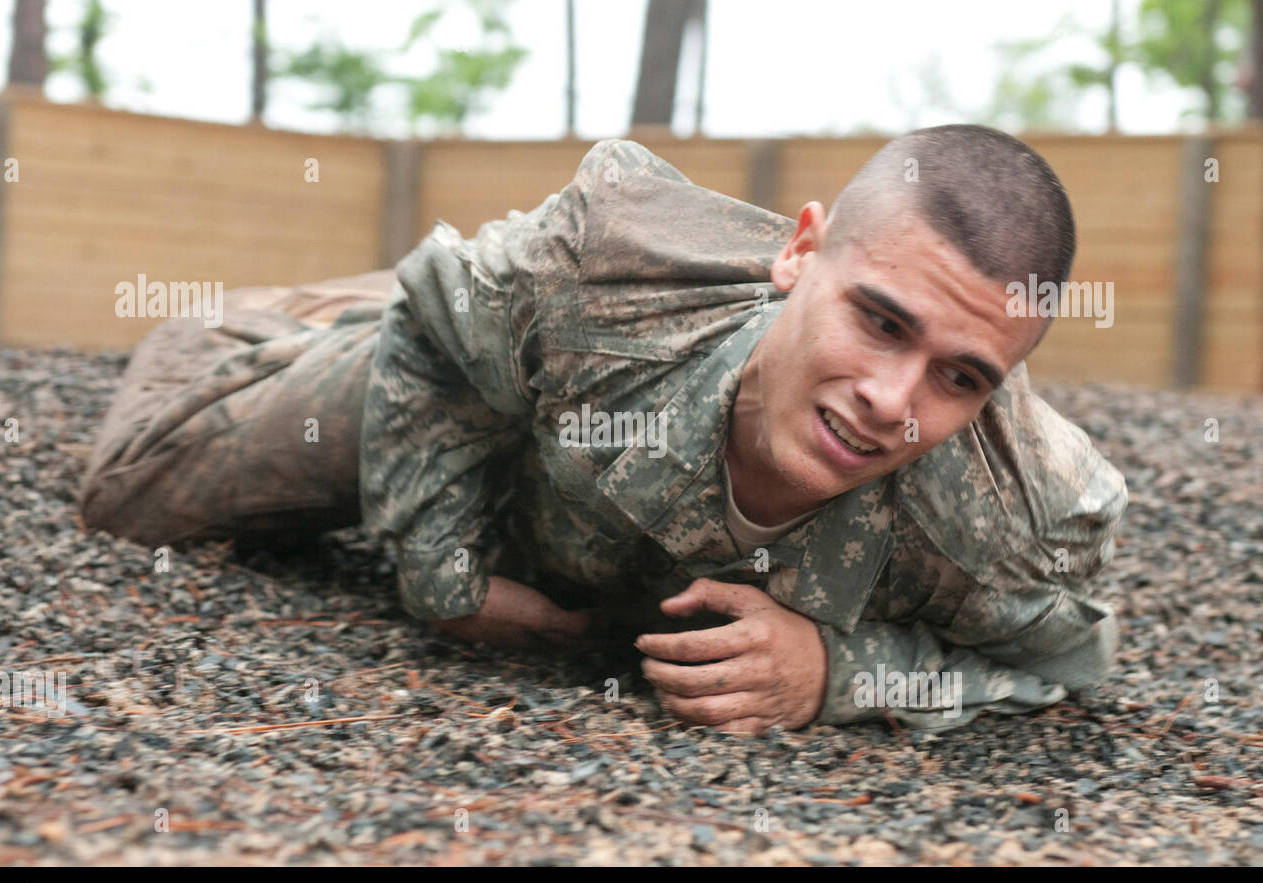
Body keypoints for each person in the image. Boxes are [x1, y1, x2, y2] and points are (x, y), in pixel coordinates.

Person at [81, 126, 1127, 735]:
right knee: (136, 493)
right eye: (879, 319)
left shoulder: (1012, 514)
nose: (891, 400)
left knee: (496, 310)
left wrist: (836, 671)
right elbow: (434, 322)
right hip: (496, 389)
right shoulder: (602, 271)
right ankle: (314, 313)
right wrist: (438, 569)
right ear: (800, 254)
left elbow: (1070, 663)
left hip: (532, 356)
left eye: (960, 375)